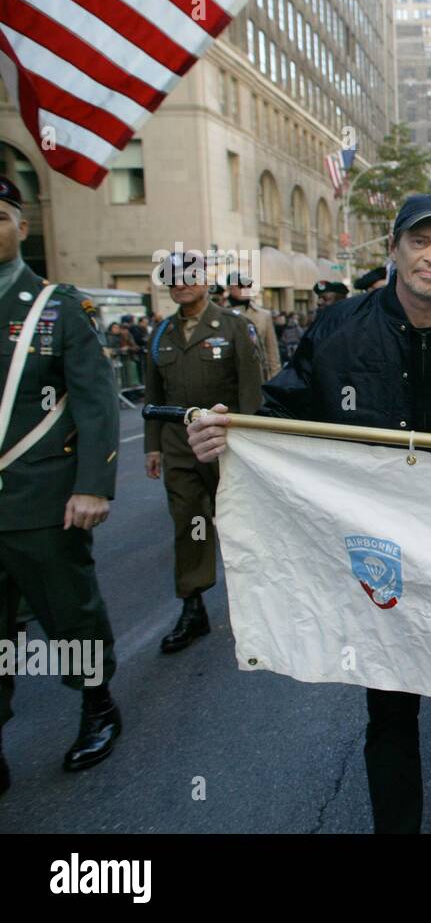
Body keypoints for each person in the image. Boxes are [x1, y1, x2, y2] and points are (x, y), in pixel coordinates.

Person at [187, 194, 431, 835]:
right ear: (394, 248)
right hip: (380, 552)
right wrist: (230, 434)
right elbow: (283, 414)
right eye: (420, 242)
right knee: (391, 700)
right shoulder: (339, 329)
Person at [0, 175, 123, 790]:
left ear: (22, 226)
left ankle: (97, 702)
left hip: (43, 499)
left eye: (0, 215)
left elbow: (96, 402)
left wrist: (93, 485)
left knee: (68, 615)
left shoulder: (56, 306)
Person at [144, 254, 263, 653]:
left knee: (239, 523)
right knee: (189, 524)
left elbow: (251, 391)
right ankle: (192, 608)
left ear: (205, 281)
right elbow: (153, 397)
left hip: (227, 447)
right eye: (173, 279)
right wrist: (153, 447)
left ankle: (258, 600)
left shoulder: (235, 327)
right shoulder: (161, 333)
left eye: (189, 276)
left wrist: (252, 445)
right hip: (180, 448)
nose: (181, 284)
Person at [227, 273, 280, 381]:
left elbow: (272, 350)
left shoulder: (264, 315)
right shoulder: (222, 314)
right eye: (241, 286)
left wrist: (275, 378)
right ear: (230, 288)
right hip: (230, 378)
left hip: (258, 377)